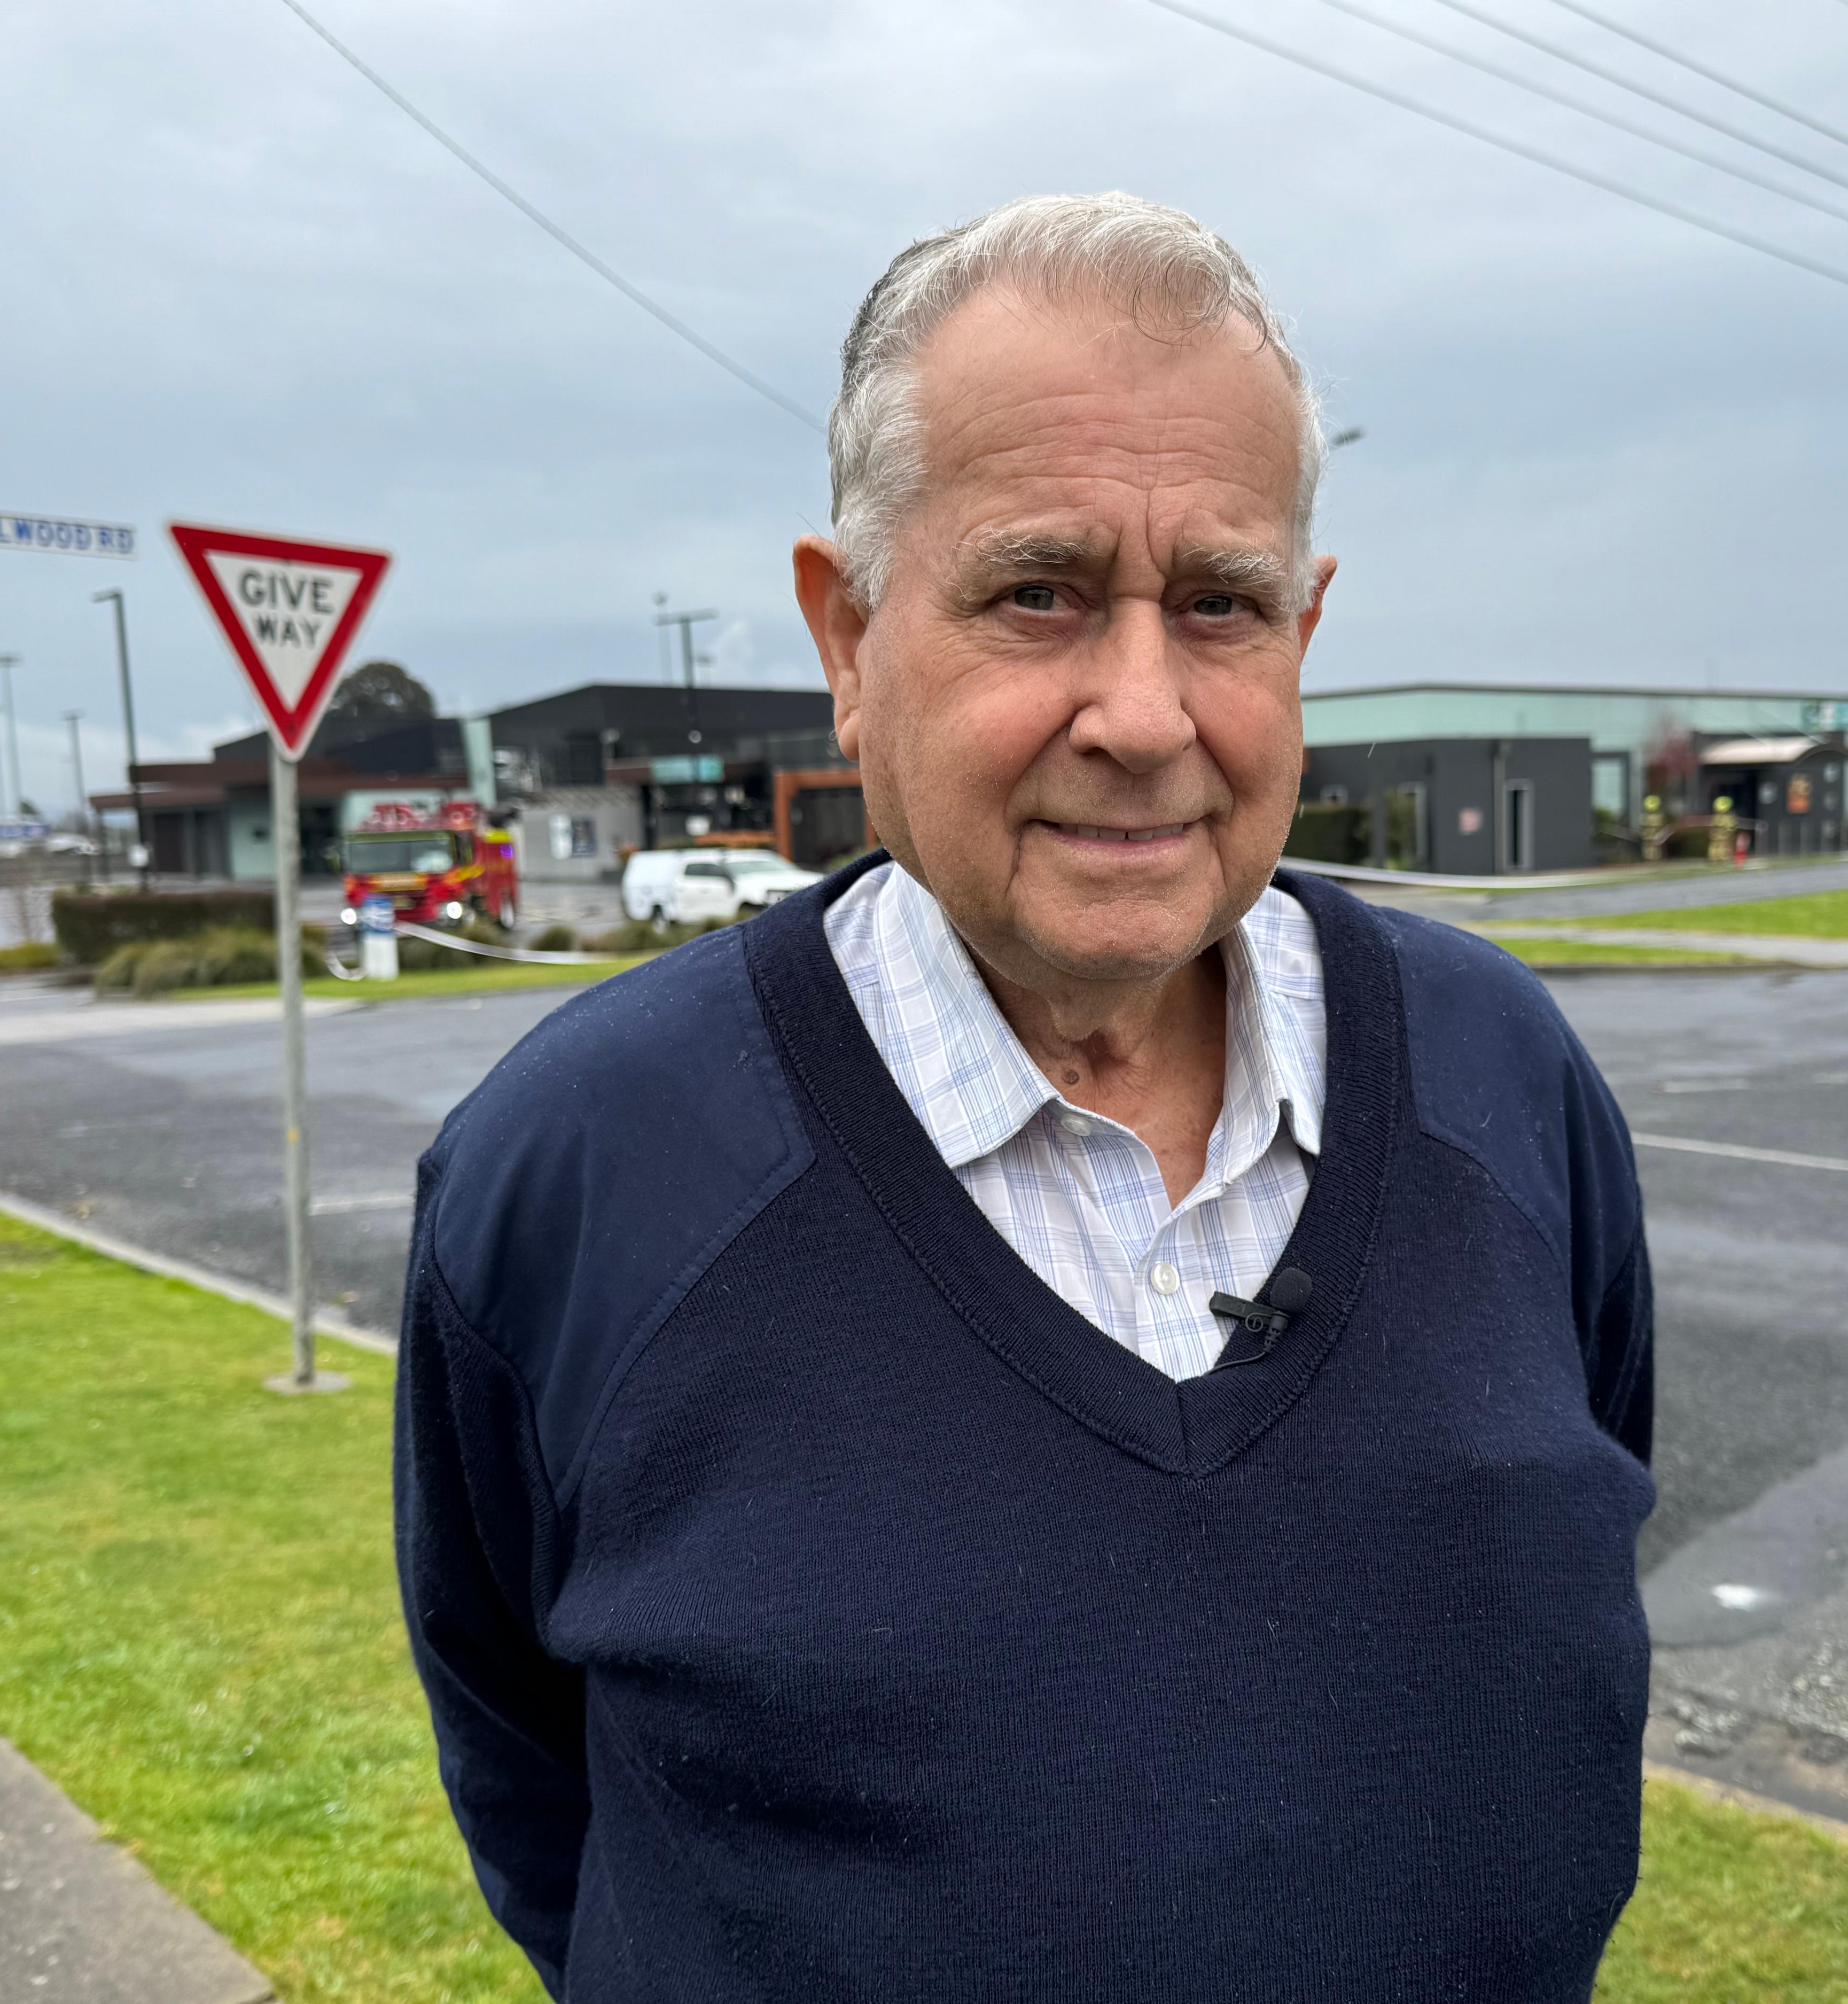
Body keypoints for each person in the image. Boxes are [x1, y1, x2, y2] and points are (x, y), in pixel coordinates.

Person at [396, 191, 1655, 2002]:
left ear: (1304, 631)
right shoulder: (580, 1171)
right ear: (849, 638)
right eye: (1038, 593)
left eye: (1218, 605)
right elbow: (531, 1770)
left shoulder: (1501, 1074)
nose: (1143, 713)